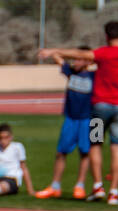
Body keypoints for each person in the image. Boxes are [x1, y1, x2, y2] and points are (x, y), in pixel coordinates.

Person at [41, 21, 118, 206]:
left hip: (100, 108)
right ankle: (114, 192)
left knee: (95, 144)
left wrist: (53, 50)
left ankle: (97, 187)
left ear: (106, 35)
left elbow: (79, 54)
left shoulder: (102, 53)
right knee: (117, 147)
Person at [35, 47, 94, 200]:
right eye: (74, 58)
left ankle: (81, 185)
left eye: (79, 58)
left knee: (87, 152)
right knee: (61, 152)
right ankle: (55, 186)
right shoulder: (70, 72)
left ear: (88, 61)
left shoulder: (95, 76)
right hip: (71, 118)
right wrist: (50, 52)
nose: (75, 61)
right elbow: (57, 57)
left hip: (91, 120)